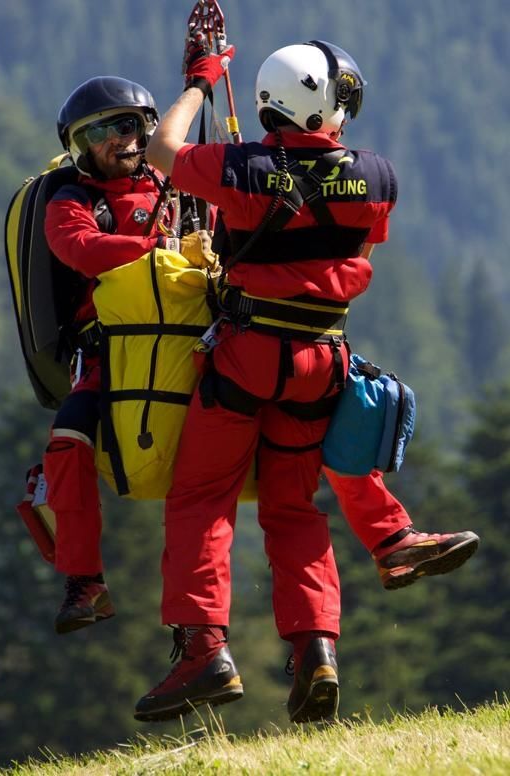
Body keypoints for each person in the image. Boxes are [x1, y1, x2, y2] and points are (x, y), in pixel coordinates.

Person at [135, 38, 479, 723]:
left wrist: (202, 83)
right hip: (322, 360)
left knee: (203, 498)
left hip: (246, 353)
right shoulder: (378, 177)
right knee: (294, 510)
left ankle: (204, 649)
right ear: (322, 101)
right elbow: (357, 250)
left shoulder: (239, 167)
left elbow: (161, 151)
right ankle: (316, 649)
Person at [43, 75, 216, 634]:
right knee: (67, 442)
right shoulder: (73, 200)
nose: (117, 140)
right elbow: (81, 249)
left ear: (145, 129)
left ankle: (202, 626)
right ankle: (83, 581)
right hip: (109, 359)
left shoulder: (179, 187)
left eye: (126, 125)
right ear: (80, 147)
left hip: (185, 352)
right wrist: (157, 249)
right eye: (99, 133)